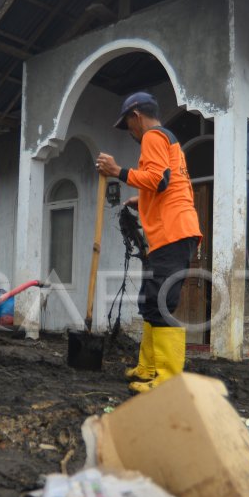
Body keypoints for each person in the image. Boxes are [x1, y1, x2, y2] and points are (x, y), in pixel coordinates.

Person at [96, 91, 202, 393]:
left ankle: (168, 381)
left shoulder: (153, 137)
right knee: (150, 300)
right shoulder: (167, 140)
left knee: (161, 303)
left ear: (136, 116)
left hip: (174, 232)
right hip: (170, 234)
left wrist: (118, 172)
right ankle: (149, 368)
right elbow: (166, 184)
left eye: (127, 124)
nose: (129, 131)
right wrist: (140, 200)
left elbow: (159, 179)